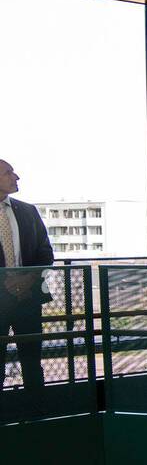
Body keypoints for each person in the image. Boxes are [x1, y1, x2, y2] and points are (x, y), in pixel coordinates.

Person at [0, 159, 54, 415]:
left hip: (28, 298)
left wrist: (27, 280)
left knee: (33, 360)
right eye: (9, 172)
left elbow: (45, 253)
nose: (16, 176)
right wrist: (7, 283)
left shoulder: (28, 211)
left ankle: (37, 416)